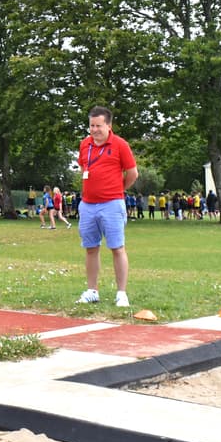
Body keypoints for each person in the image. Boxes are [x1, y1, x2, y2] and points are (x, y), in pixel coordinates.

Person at [75, 105, 139, 307]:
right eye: (91, 126)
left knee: (117, 248)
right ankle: (92, 290)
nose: (94, 130)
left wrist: (117, 190)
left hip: (112, 204)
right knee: (90, 248)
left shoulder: (120, 145)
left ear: (109, 125)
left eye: (98, 126)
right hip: (87, 205)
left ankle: (121, 293)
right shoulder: (85, 145)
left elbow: (133, 173)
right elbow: (84, 168)